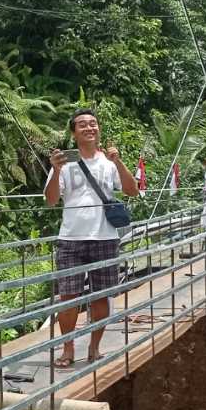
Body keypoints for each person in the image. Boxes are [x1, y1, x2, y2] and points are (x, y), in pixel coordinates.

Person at [44, 108, 138, 367]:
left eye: (93, 124)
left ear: (98, 129)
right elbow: (51, 200)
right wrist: (54, 170)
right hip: (71, 238)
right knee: (68, 296)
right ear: (74, 133)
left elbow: (132, 191)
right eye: (82, 124)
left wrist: (118, 161)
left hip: (105, 237)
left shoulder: (109, 163)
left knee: (100, 296)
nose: (89, 128)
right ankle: (68, 348)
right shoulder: (65, 164)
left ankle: (94, 347)